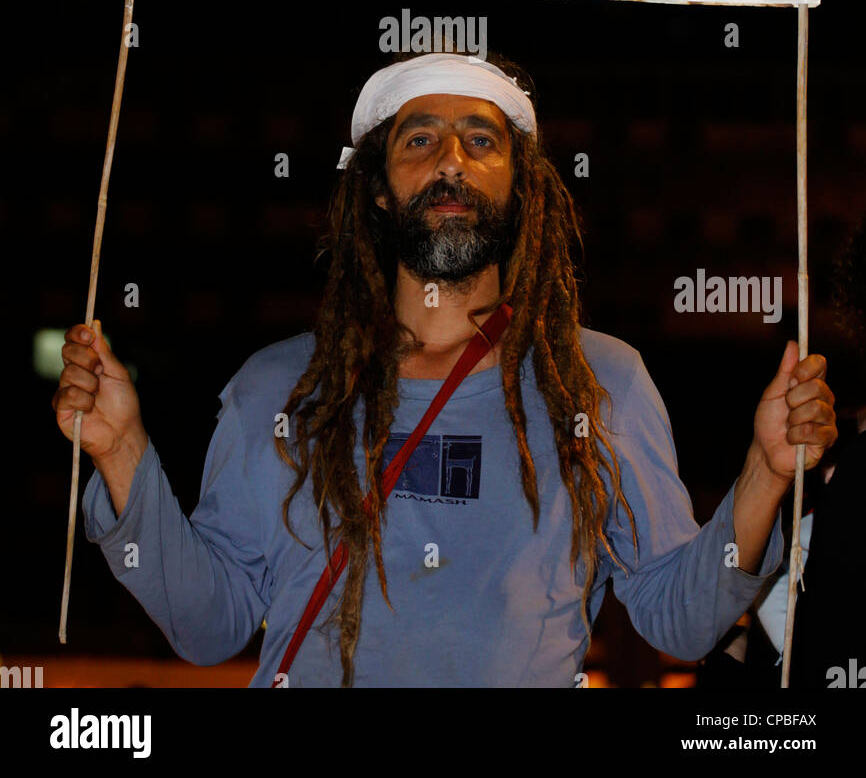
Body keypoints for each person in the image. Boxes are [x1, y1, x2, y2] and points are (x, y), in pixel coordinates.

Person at [53, 50, 838, 688]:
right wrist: (121, 452)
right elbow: (207, 627)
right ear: (382, 196)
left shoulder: (601, 383)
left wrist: (766, 473)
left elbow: (680, 619)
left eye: (481, 140)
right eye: (420, 139)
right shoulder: (277, 389)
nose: (451, 160)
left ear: (522, 190)